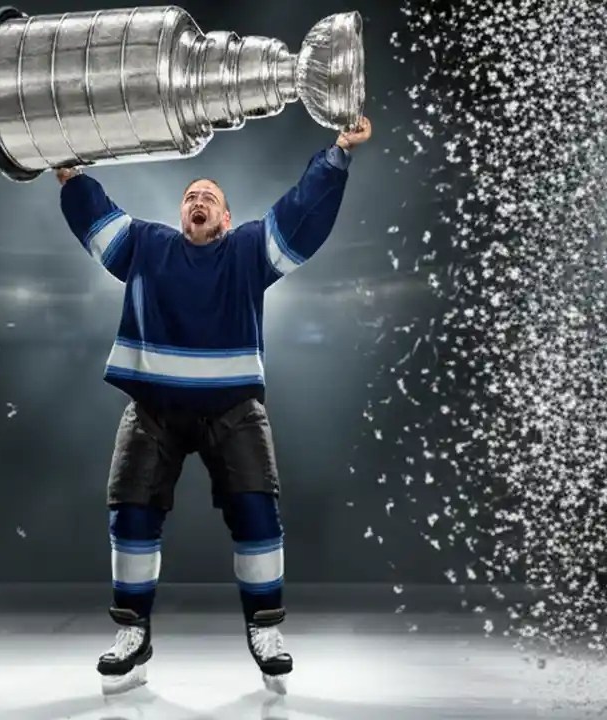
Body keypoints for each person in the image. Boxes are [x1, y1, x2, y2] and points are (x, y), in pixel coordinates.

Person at [55, 116, 372, 695]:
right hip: (152, 407)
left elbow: (302, 213)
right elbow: (97, 220)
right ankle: (133, 634)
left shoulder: (250, 249)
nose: (198, 200)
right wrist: (71, 174)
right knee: (130, 513)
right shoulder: (147, 246)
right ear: (184, 215)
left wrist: (338, 155)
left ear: (225, 218)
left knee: (257, 512)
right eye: (190, 196)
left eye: (210, 198)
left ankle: (265, 629)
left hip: (233, 408)